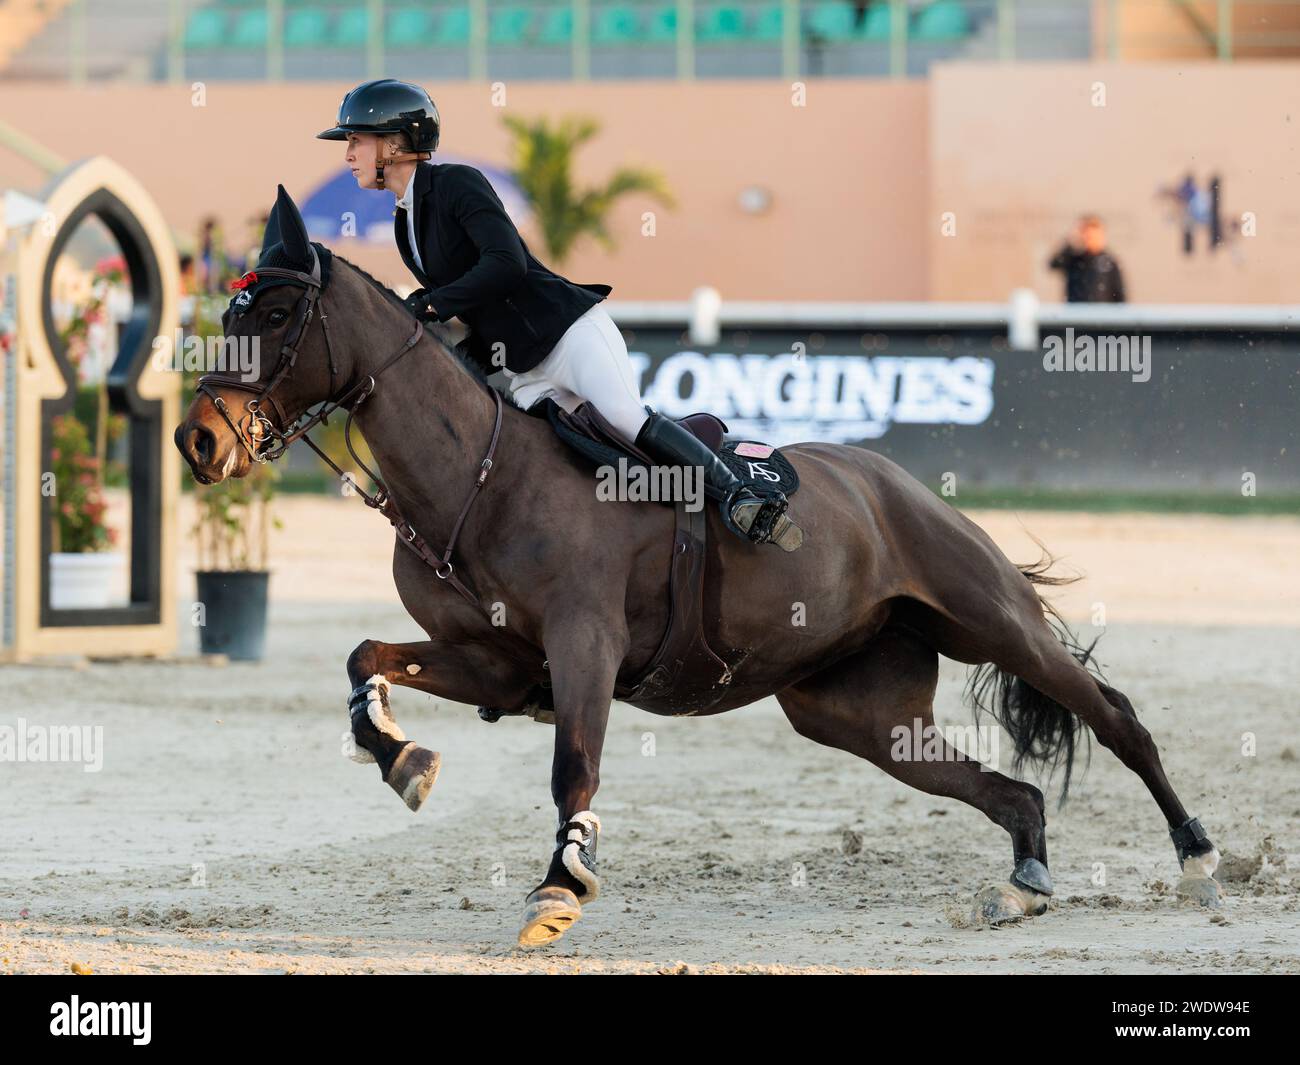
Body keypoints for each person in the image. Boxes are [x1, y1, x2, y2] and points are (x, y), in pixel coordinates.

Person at [317, 78, 800, 550]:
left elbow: (506, 264)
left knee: (625, 419)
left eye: (356, 140)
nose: (348, 154)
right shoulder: (405, 224)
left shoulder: (457, 183)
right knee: (541, 461)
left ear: (395, 144)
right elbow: (482, 306)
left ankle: (741, 496)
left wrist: (431, 303)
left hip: (569, 333)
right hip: (526, 367)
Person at [1047, 215, 1126, 303]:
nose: (1090, 239)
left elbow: (1119, 293)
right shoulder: (1074, 259)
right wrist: (1070, 243)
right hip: (1076, 312)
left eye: (1093, 235)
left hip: (1102, 314)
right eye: (1087, 235)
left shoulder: (1109, 262)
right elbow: (1053, 264)